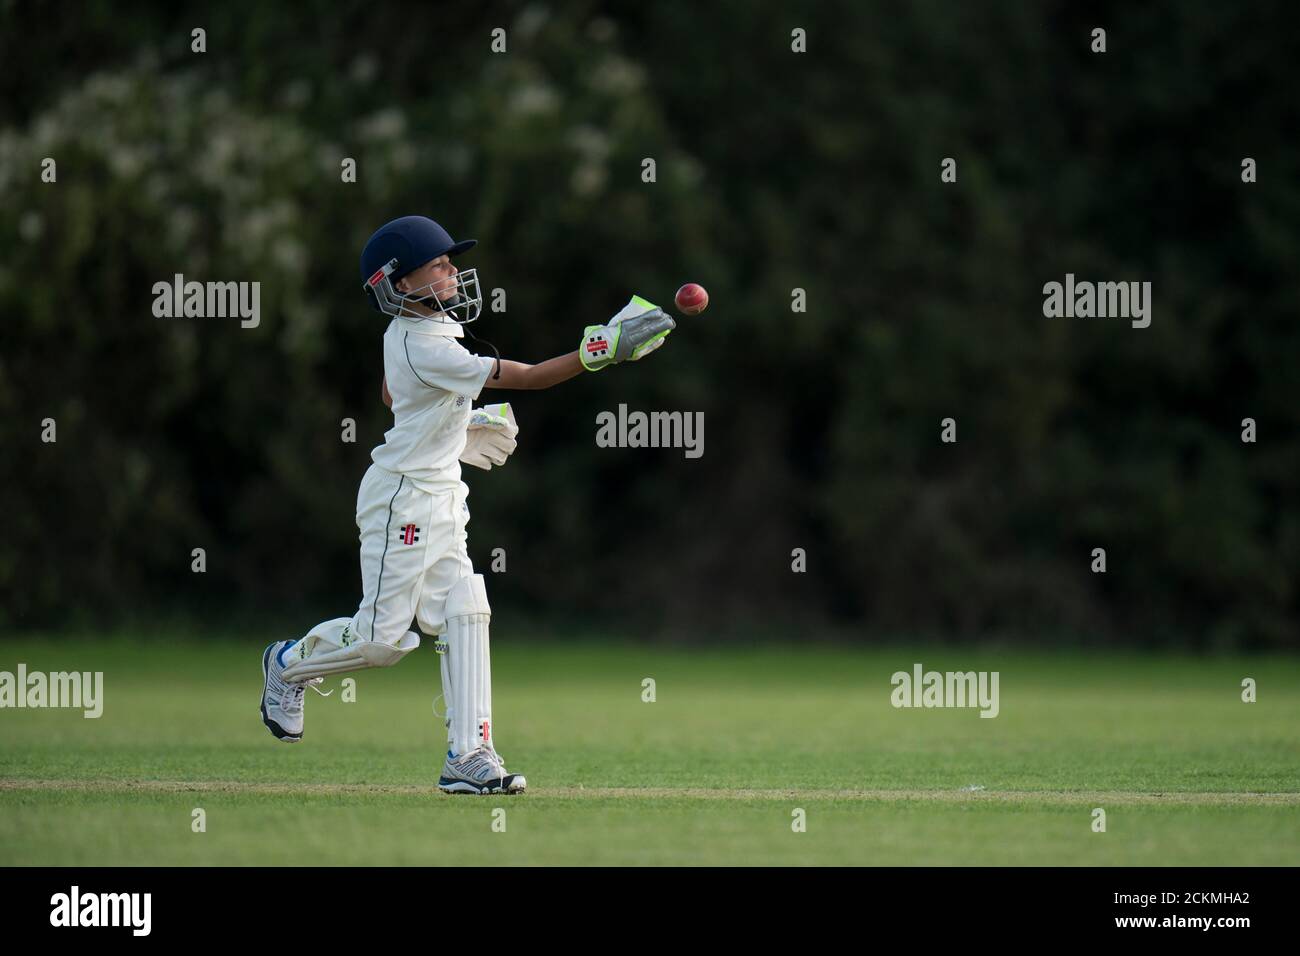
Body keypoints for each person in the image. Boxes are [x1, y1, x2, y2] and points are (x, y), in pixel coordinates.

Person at [258, 215, 675, 794]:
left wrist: (457, 425)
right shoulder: (425, 344)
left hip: (442, 491)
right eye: (439, 264)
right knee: (381, 643)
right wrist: (602, 350)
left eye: (452, 261)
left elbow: (390, 393)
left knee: (467, 610)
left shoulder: (419, 335)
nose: (454, 270)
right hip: (402, 500)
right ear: (400, 284)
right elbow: (528, 378)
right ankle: (287, 665)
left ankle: (469, 755)